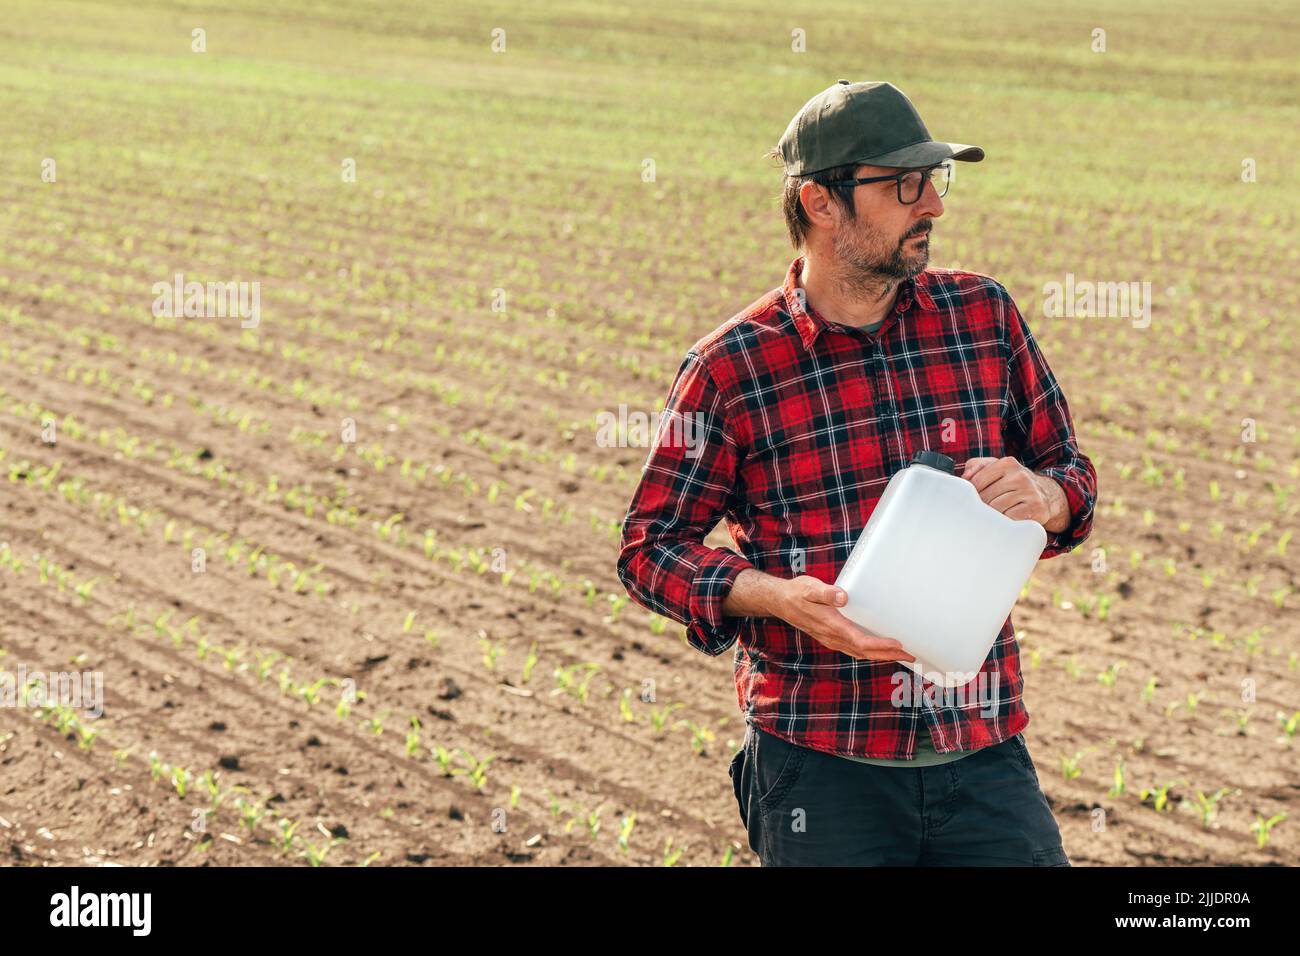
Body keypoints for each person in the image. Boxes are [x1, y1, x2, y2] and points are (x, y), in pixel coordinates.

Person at [616, 80, 1098, 866]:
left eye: (936, 181)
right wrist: (774, 599)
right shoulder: (733, 369)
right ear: (819, 201)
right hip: (820, 774)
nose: (933, 206)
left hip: (983, 755)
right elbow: (649, 548)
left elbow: (1072, 478)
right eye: (904, 184)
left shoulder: (983, 317)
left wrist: (1046, 496)